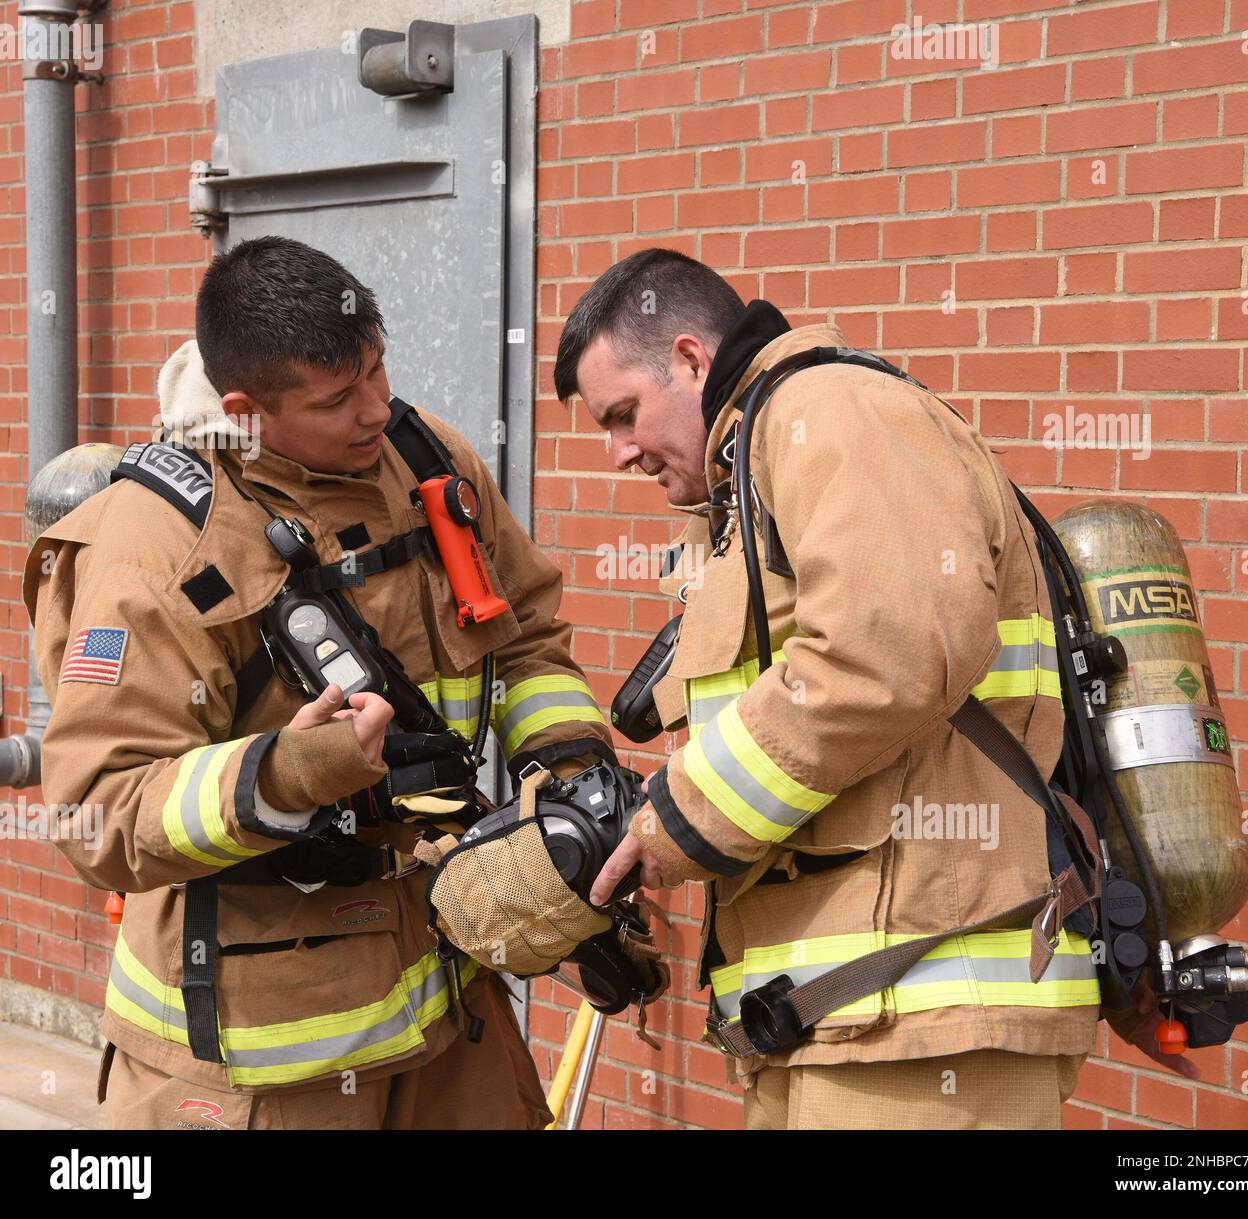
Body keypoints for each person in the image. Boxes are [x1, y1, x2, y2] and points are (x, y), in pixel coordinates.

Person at [558, 247, 1187, 1130]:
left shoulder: (828, 409)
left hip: (922, 1024)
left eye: (623, 414)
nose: (619, 453)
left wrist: (685, 817)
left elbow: (883, 652)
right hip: (836, 1021)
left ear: (694, 359)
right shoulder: (749, 476)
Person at [25, 235, 615, 1130]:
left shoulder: (429, 461)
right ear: (244, 410)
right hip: (259, 1053)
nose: (378, 408)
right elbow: (95, 810)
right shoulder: (155, 547)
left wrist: (571, 773)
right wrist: (286, 773)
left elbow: (524, 629)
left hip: (448, 1012)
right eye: (339, 398)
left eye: (378, 370)